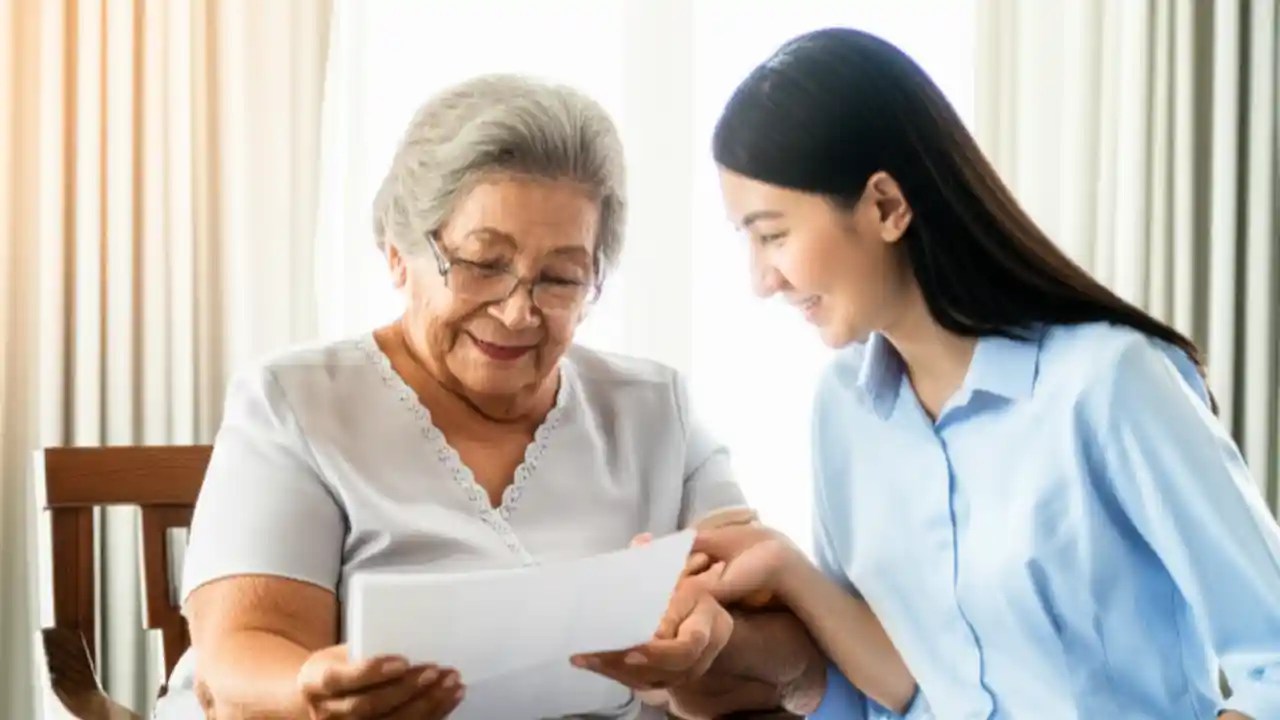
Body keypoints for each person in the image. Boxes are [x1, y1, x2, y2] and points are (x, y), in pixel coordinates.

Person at [153, 74, 845, 719]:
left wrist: (716, 642)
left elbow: (790, 648)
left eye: (561, 278)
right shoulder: (296, 402)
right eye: (484, 265)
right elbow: (240, 652)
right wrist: (310, 691)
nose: (518, 312)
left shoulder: (656, 409)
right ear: (398, 254)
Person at [693, 27, 1280, 720]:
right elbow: (902, 692)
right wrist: (784, 569)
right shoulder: (844, 408)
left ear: (886, 206)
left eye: (773, 235)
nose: (762, 280)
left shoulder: (1108, 384)